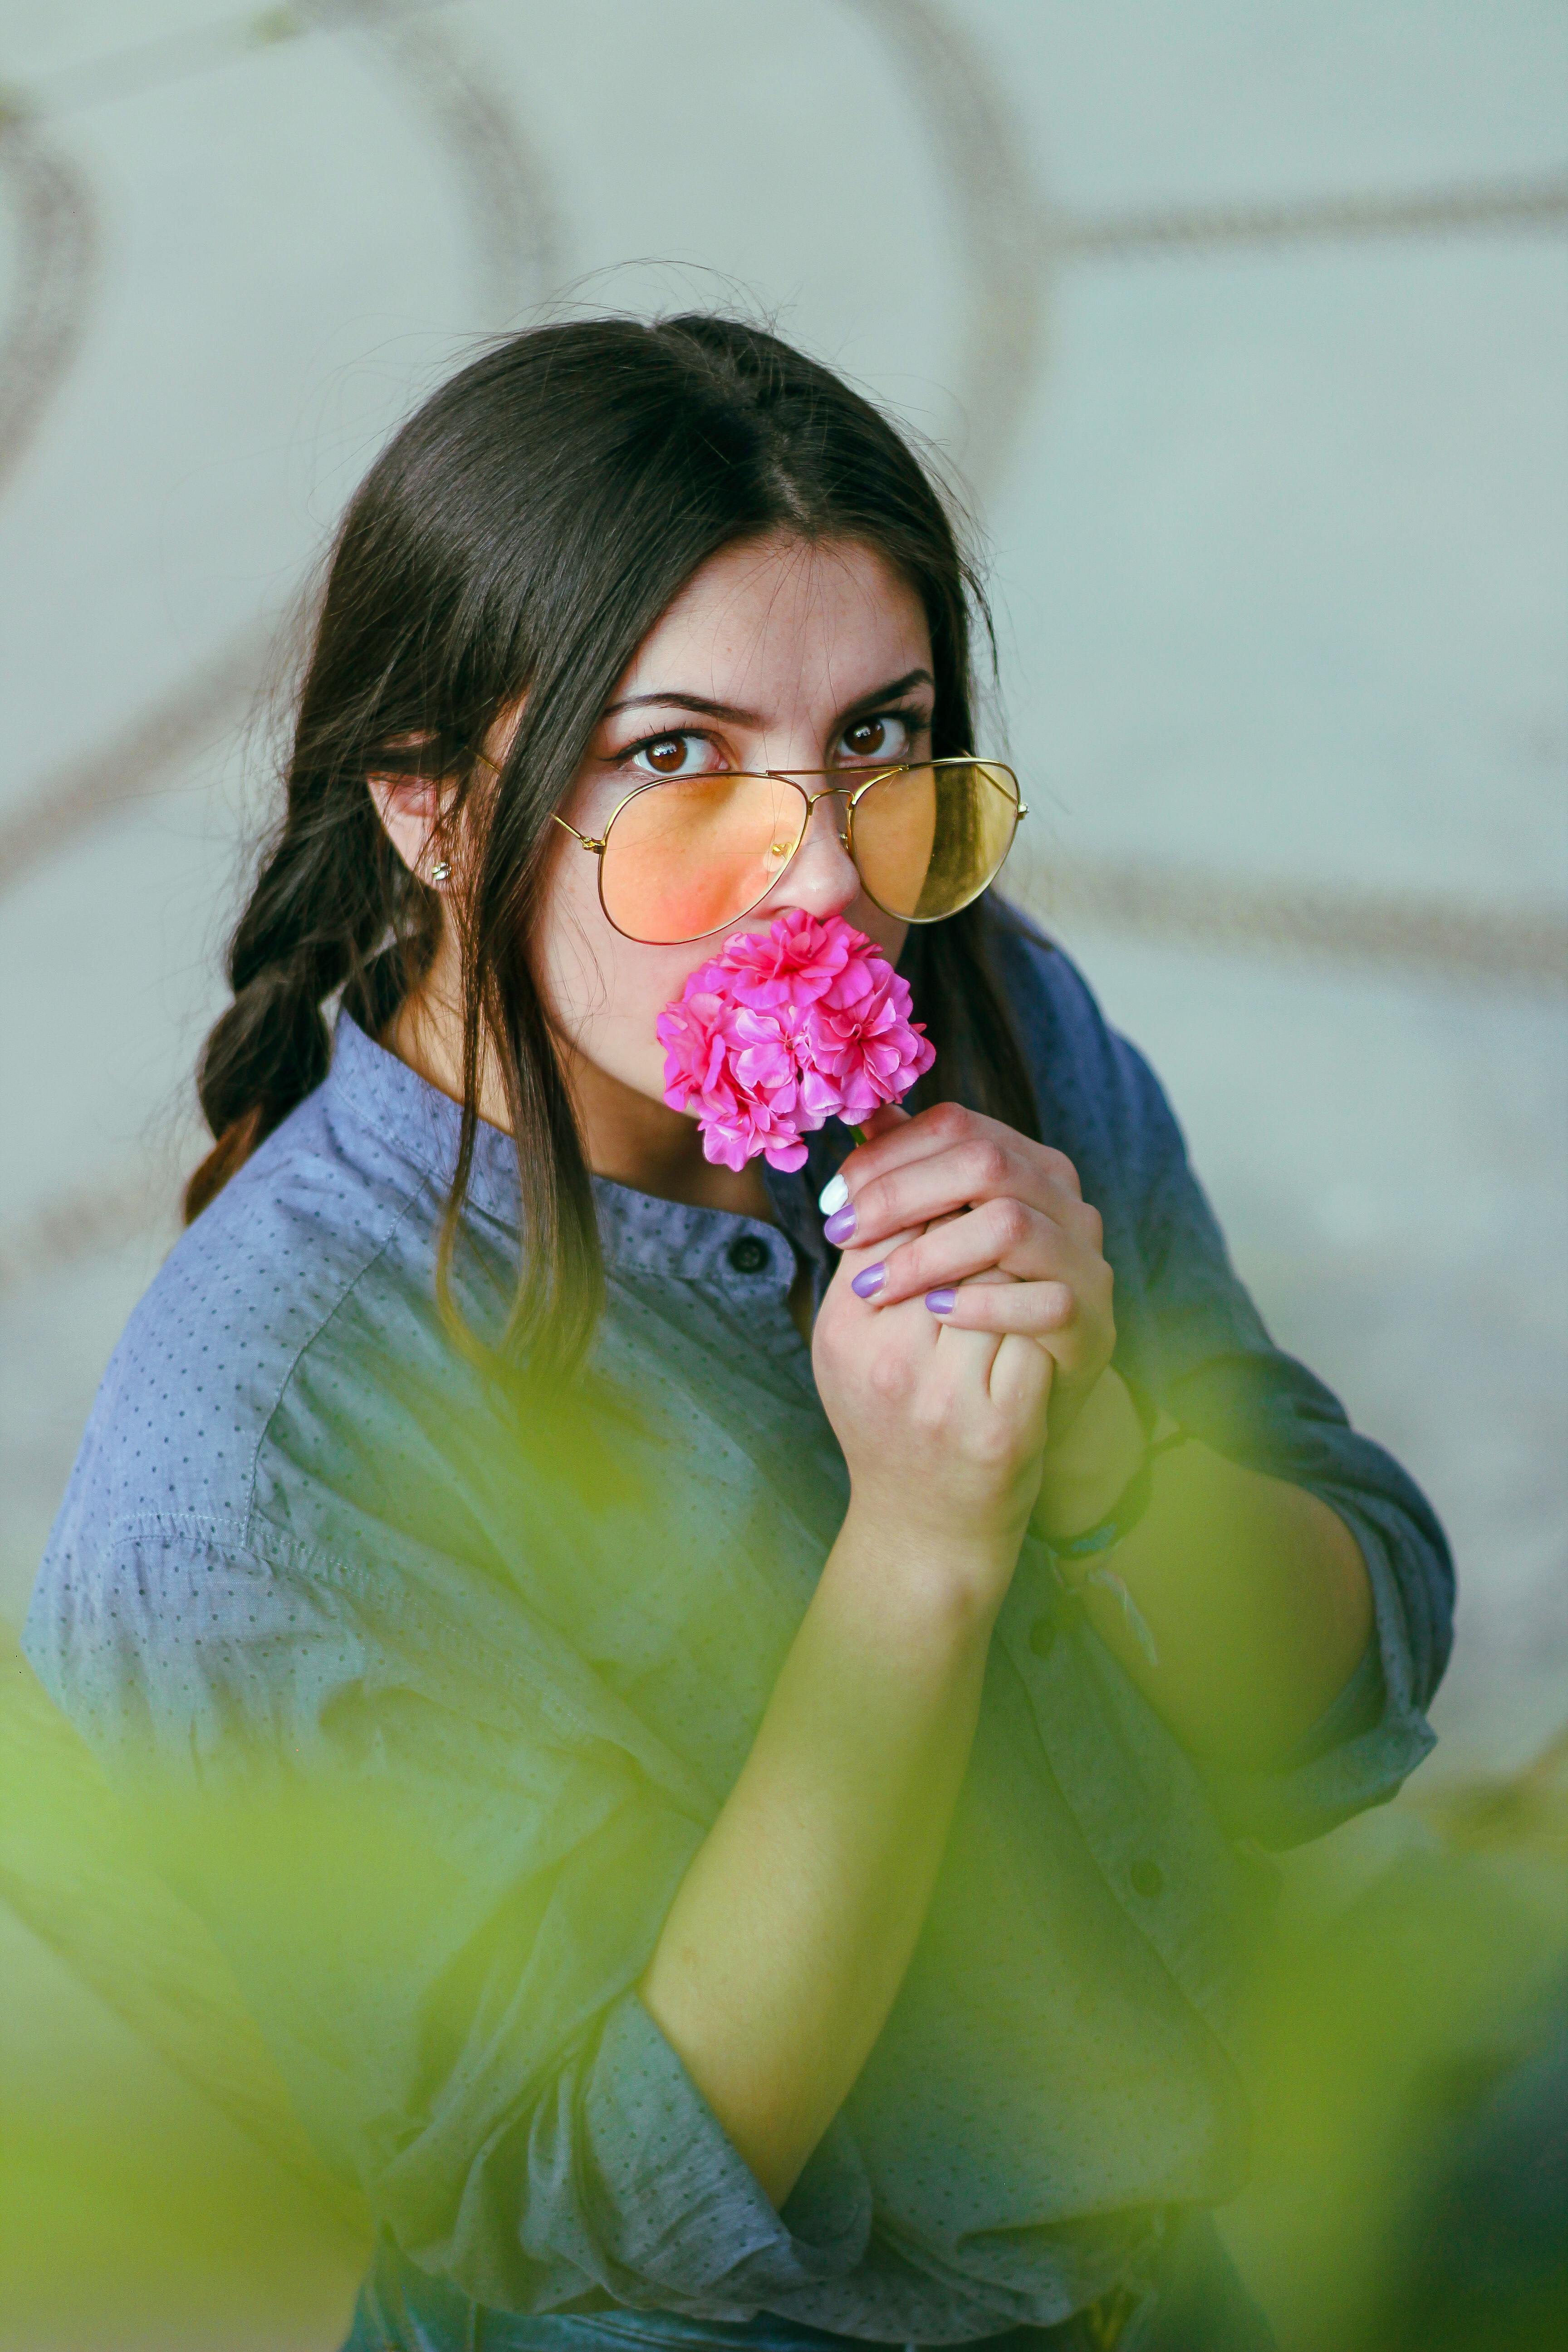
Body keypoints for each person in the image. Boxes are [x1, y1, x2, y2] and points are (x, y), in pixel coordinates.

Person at [24, 316, 1452, 2352]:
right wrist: (922, 1550)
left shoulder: (995, 1022)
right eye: (677, 758)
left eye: (879, 737)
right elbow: (587, 2202)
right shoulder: (257, 1462)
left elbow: (1355, 1678)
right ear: (429, 803)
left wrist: (1108, 1461)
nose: (825, 878)